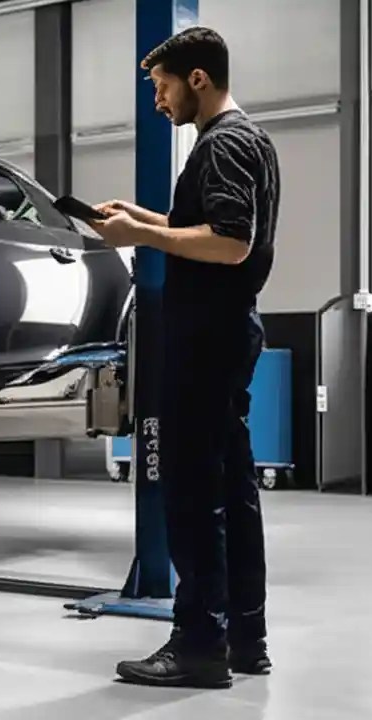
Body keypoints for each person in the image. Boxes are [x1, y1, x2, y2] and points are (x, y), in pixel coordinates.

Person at [88, 26, 281, 689]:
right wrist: (140, 216)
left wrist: (139, 234)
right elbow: (214, 228)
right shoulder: (241, 141)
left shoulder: (225, 144)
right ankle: (243, 638)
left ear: (197, 79)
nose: (158, 100)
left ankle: (198, 645)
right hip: (226, 329)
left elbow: (229, 241)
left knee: (193, 492)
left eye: (162, 86)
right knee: (230, 487)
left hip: (207, 334)